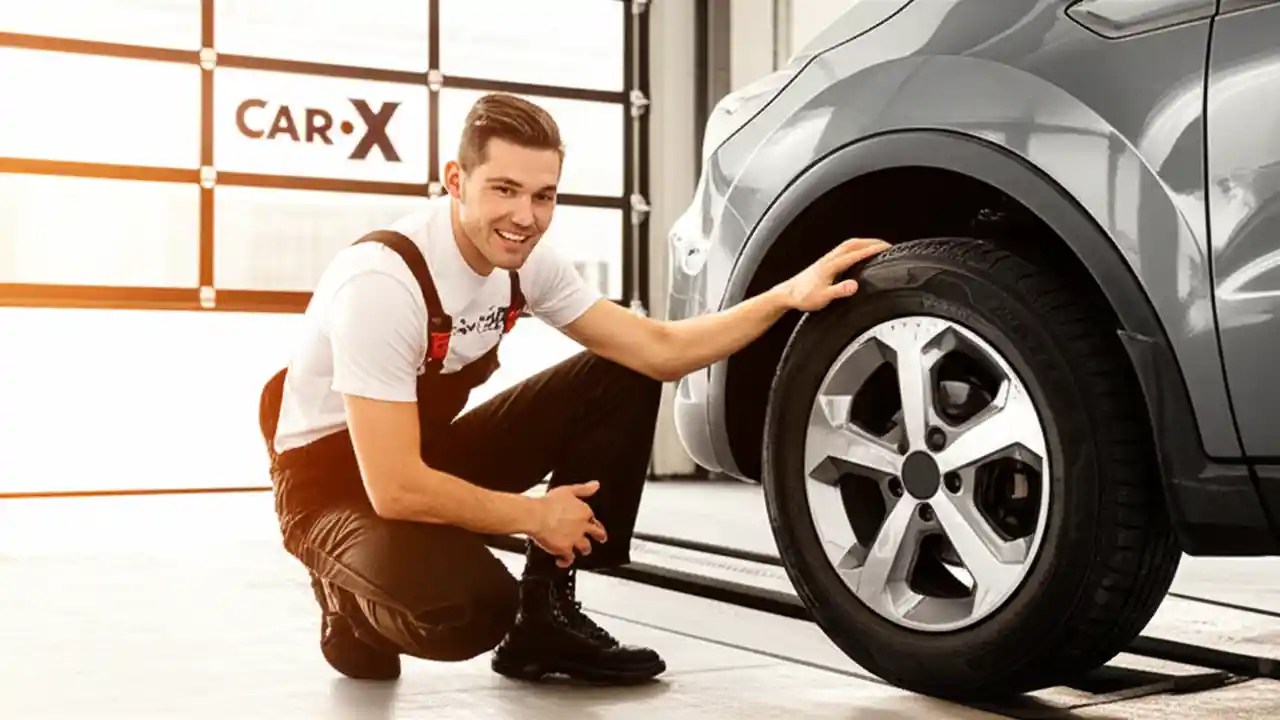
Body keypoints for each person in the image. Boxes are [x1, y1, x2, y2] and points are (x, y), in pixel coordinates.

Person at [256, 92, 888, 685]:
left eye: (544, 195)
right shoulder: (382, 283)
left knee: (623, 372)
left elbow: (659, 351)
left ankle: (547, 617)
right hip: (331, 486)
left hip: (420, 450)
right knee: (470, 611)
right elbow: (393, 487)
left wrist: (784, 295)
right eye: (504, 190)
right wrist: (534, 516)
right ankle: (347, 595)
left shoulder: (527, 262)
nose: (525, 218)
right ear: (455, 181)